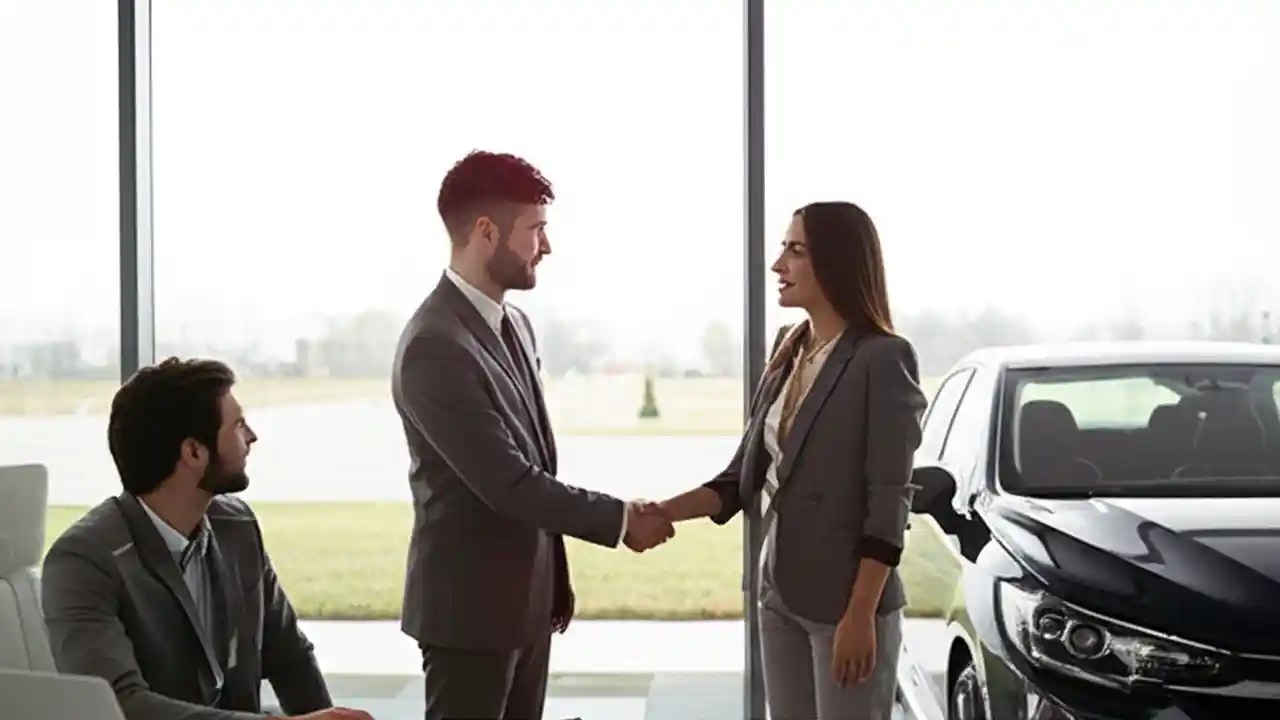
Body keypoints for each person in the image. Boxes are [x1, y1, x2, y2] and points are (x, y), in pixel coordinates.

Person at [391, 149, 674, 720]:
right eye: (536, 230)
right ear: (486, 231)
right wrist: (621, 519)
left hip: (526, 603)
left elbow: (537, 466)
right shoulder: (434, 346)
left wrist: (552, 582)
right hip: (470, 616)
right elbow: (509, 484)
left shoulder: (514, 323)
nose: (547, 246)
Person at [657, 201, 926, 719]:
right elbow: (743, 475)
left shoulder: (883, 358)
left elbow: (889, 499)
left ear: (838, 262)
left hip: (848, 603)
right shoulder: (788, 347)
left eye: (794, 250)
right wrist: (661, 512)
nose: (778, 264)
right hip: (779, 589)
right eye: (783, 248)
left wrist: (861, 614)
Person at [41, 358, 372, 720]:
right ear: (194, 452)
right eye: (238, 425)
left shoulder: (237, 525)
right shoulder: (85, 560)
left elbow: (288, 655)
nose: (252, 437)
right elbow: (120, 705)